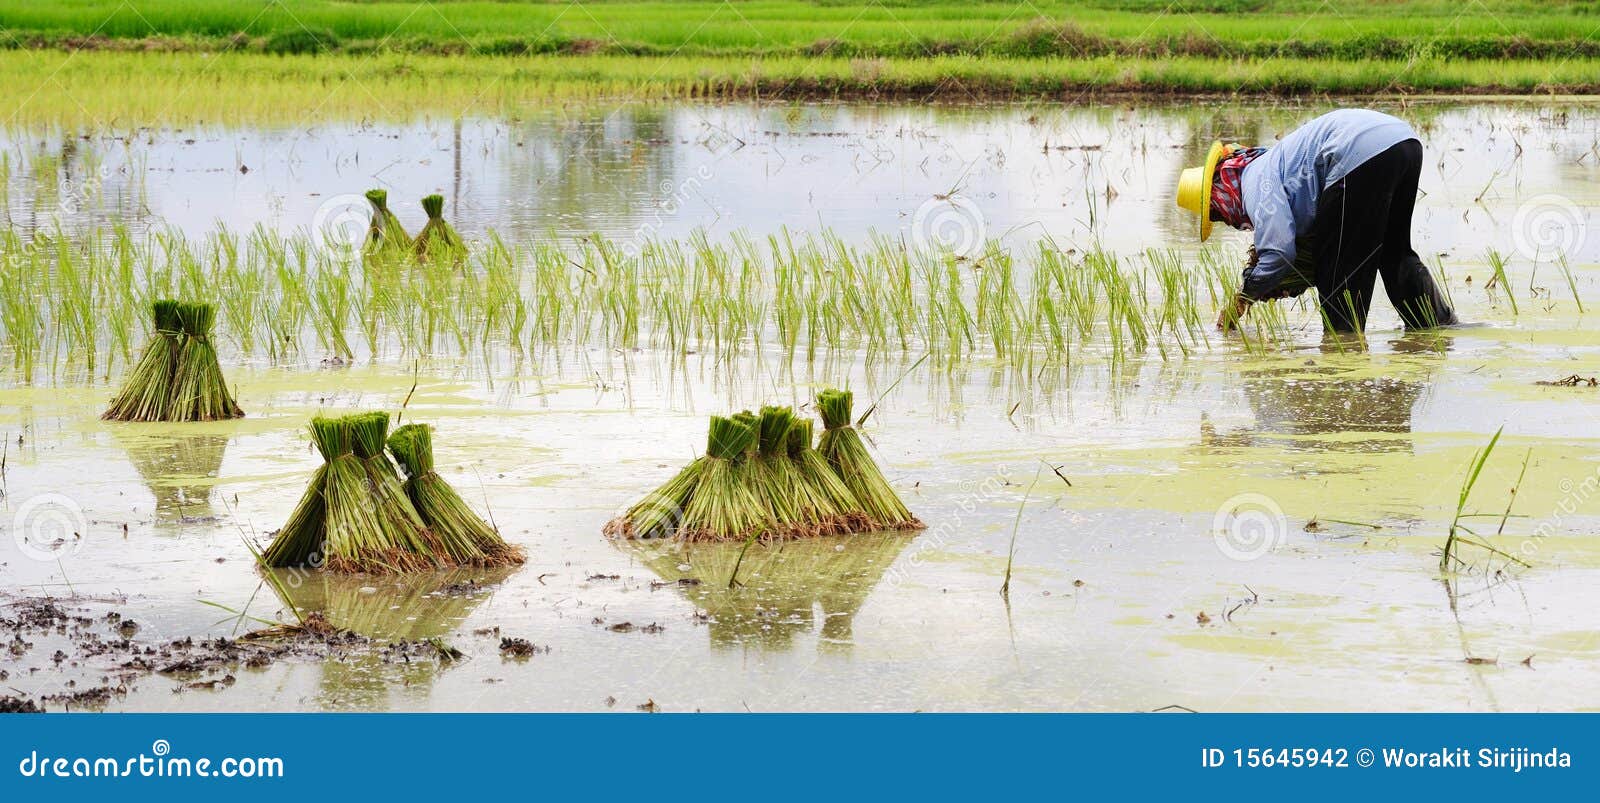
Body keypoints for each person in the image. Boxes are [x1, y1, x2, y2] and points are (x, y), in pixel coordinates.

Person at [1175, 108, 1457, 333]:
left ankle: (1342, 348)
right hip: (1403, 142)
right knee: (1394, 253)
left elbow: (1278, 252)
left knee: (1336, 273)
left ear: (1219, 189)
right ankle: (1438, 328)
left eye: (1214, 212)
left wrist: (1245, 295)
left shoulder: (1254, 183)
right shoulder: (1269, 163)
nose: (1225, 220)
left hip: (1357, 153)